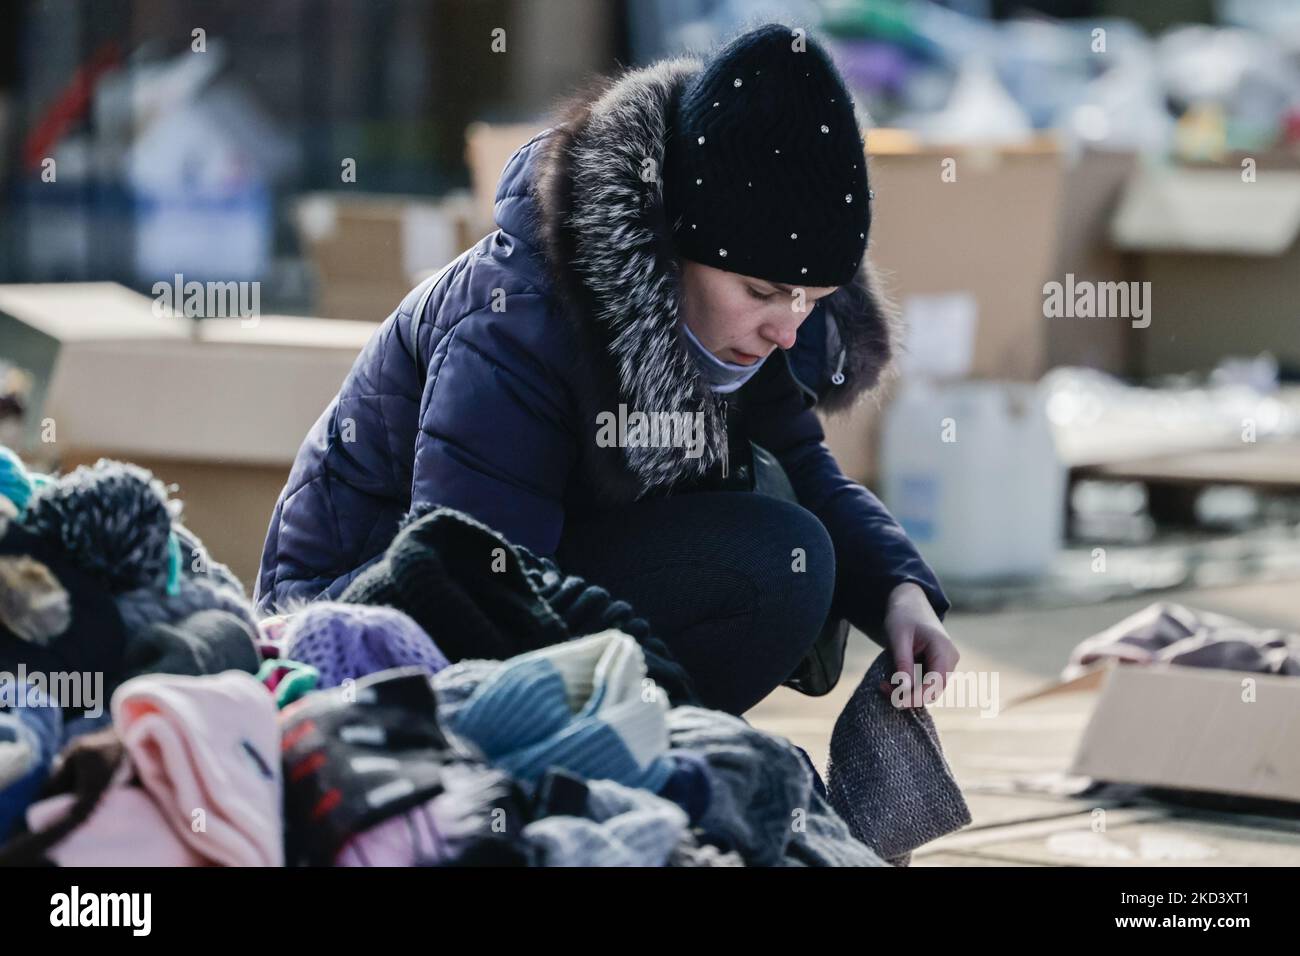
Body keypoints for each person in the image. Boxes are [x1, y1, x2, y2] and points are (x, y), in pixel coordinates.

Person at [256, 23, 958, 716]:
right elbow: (468, 575)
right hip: (364, 620)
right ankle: (626, 750)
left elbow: (803, 462)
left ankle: (645, 740)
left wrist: (901, 592)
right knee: (767, 558)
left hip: (517, 575)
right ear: (676, 241)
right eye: (762, 294)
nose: (787, 327)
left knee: (787, 542)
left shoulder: (739, 313)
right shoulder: (514, 321)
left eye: (813, 301)